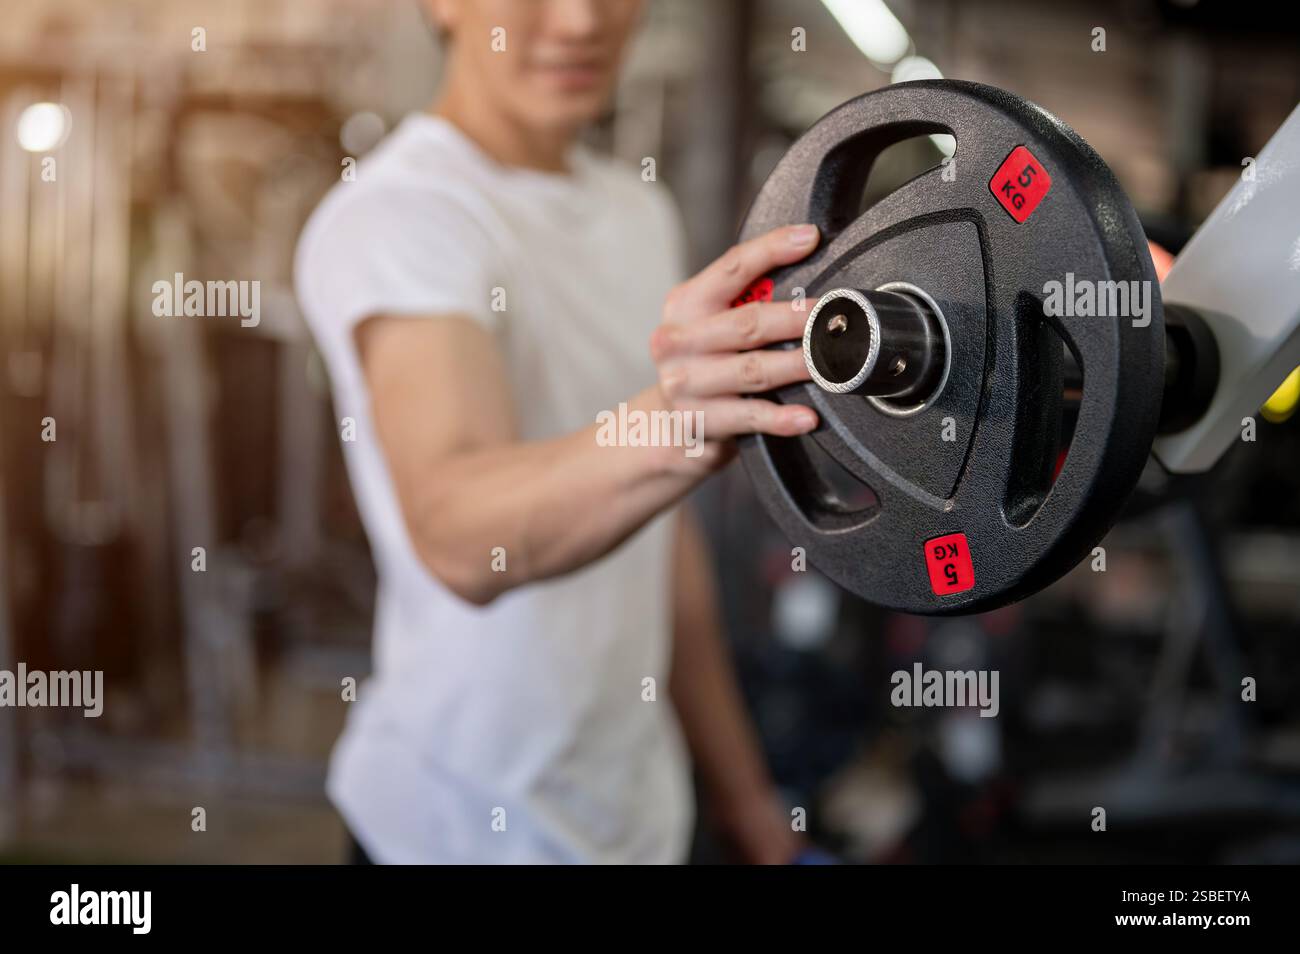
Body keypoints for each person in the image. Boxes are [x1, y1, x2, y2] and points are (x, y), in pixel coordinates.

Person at [294, 0, 822, 863]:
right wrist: (683, 420)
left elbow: (666, 549)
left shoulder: (635, 210)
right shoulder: (401, 214)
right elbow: (461, 529)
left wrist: (748, 799)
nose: (580, 21)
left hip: (638, 820)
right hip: (454, 832)